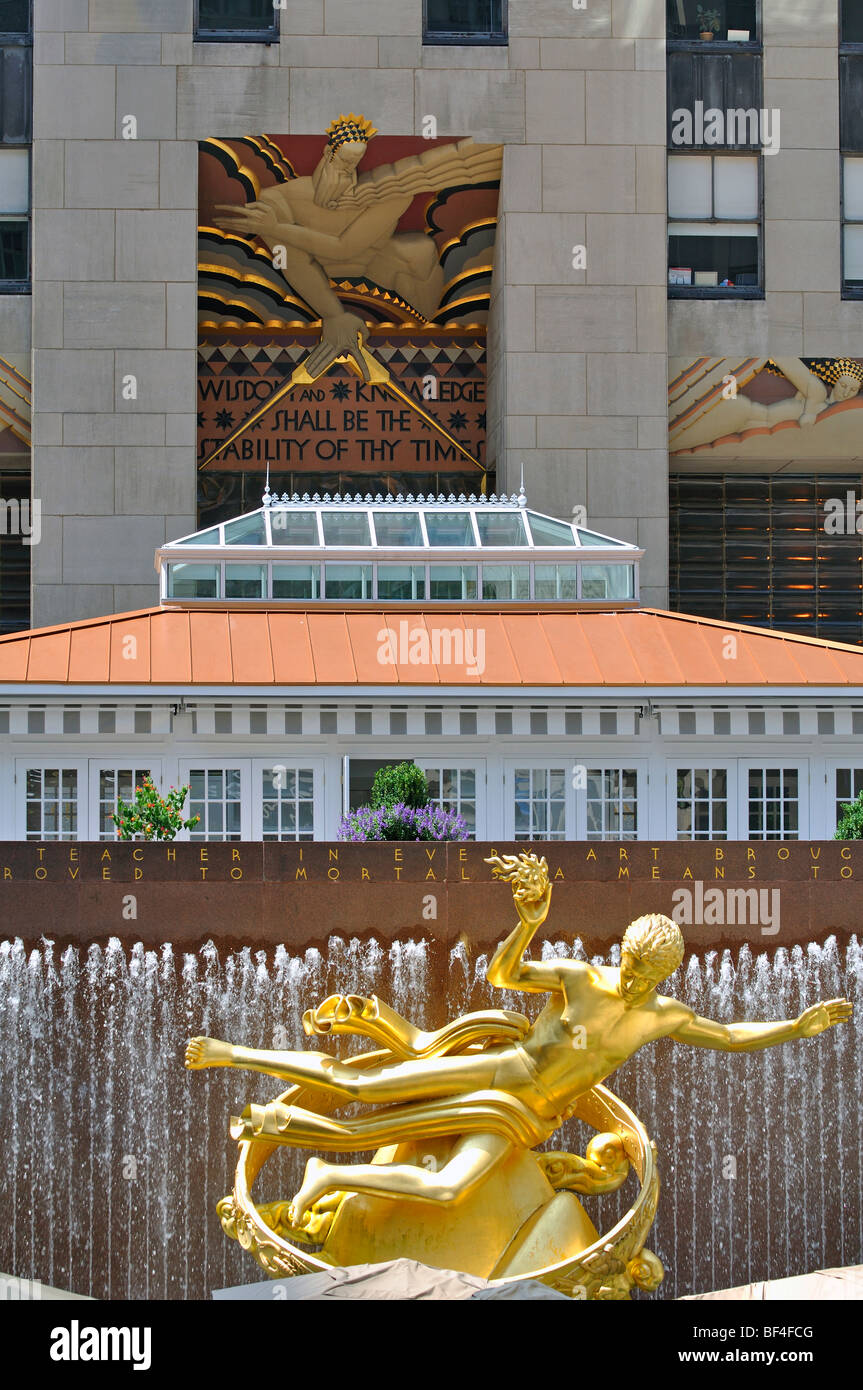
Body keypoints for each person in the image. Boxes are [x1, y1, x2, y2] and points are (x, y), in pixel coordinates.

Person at [185, 853, 851, 1226]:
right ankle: (231, 1054)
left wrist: (794, 1026)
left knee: (449, 1190)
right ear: (621, 952)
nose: (632, 977)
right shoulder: (582, 978)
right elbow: (502, 973)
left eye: (646, 973)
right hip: (499, 1075)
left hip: (526, 1120)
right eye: (630, 963)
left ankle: (326, 1172)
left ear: (662, 974)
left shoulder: (661, 1015)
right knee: (358, 1083)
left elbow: (731, 1034)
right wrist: (528, 923)